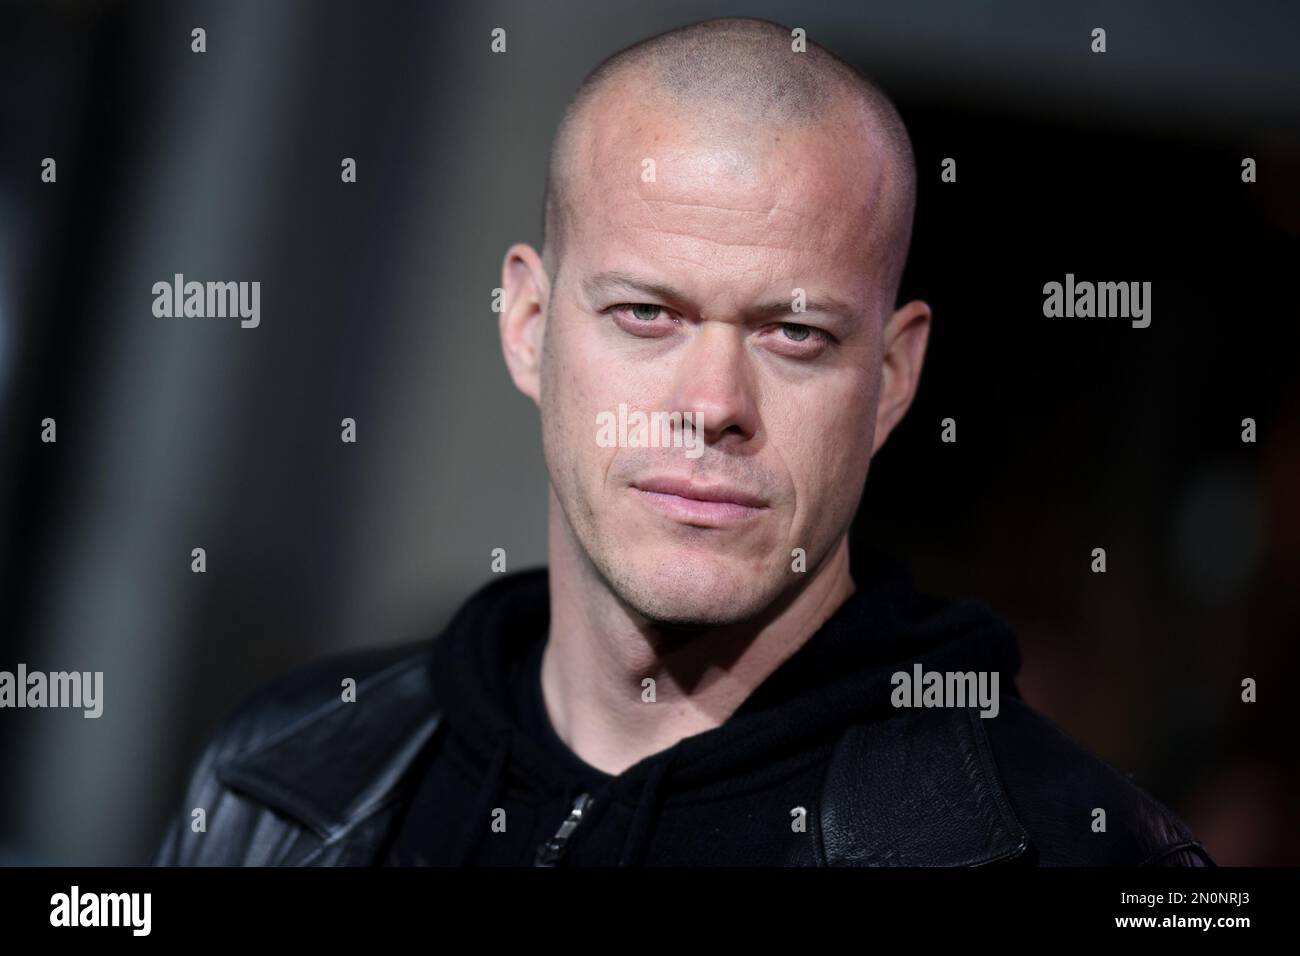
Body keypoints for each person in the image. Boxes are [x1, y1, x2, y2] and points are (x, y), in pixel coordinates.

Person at [154, 16, 1211, 867]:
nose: (712, 404)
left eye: (793, 332)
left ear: (891, 379)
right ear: (527, 326)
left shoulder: (1068, 849)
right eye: (647, 314)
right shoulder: (284, 769)